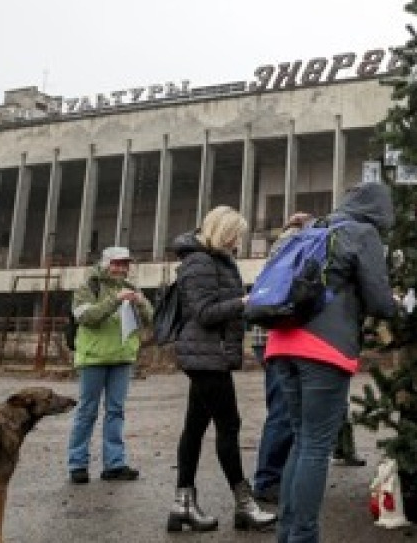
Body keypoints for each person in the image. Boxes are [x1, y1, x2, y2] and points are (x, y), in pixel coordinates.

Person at [264, 183, 397, 543]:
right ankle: (304, 536)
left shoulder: (314, 228)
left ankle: (287, 532)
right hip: (322, 348)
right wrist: (399, 303)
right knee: (317, 445)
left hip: (282, 341)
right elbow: (380, 302)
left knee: (301, 439)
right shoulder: (362, 232)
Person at [166, 206, 276, 532]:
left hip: (208, 356)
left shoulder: (215, 260)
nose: (236, 241)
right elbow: (203, 312)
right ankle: (244, 505)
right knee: (229, 425)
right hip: (205, 357)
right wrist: (244, 303)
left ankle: (182, 504)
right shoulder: (199, 262)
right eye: (233, 235)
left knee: (196, 427)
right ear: (220, 231)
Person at [252, 213, 369, 506]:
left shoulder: (291, 245)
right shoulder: (297, 244)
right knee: (286, 415)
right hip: (288, 336)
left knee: (307, 417)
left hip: (281, 338)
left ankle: (338, 451)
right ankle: (268, 480)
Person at [67, 246, 154, 484]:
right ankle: (77, 464)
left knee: (116, 411)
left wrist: (140, 303)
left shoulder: (132, 288)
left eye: (124, 264)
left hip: (122, 358)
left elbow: (150, 318)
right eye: (116, 263)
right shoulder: (88, 287)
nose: (120, 268)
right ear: (105, 263)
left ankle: (114, 464)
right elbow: (87, 318)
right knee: (87, 411)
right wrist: (114, 301)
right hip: (93, 358)